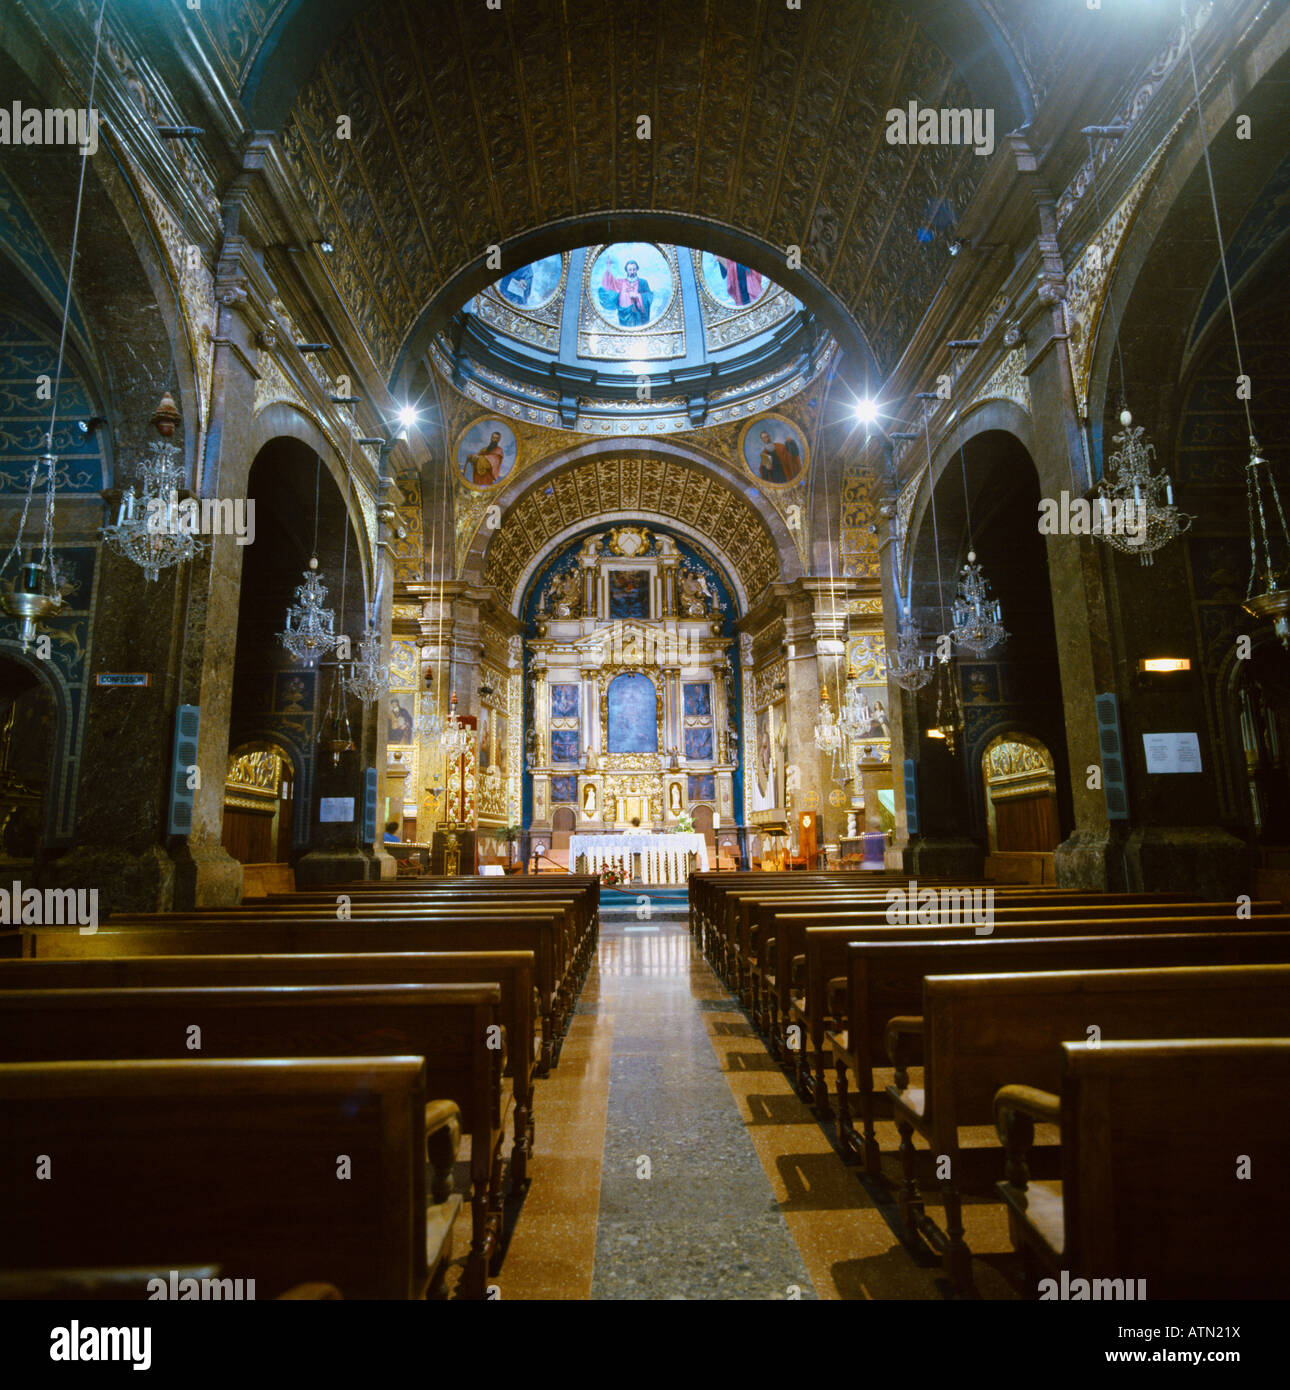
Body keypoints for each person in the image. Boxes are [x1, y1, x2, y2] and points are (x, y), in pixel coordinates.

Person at [598, 257, 653, 327]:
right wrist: (608, 268)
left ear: (637, 270)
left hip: (637, 314)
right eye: (630, 270)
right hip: (623, 313)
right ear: (626, 271)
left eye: (634, 269)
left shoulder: (643, 282)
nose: (632, 272)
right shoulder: (621, 282)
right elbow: (609, 283)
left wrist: (638, 296)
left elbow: (649, 296)